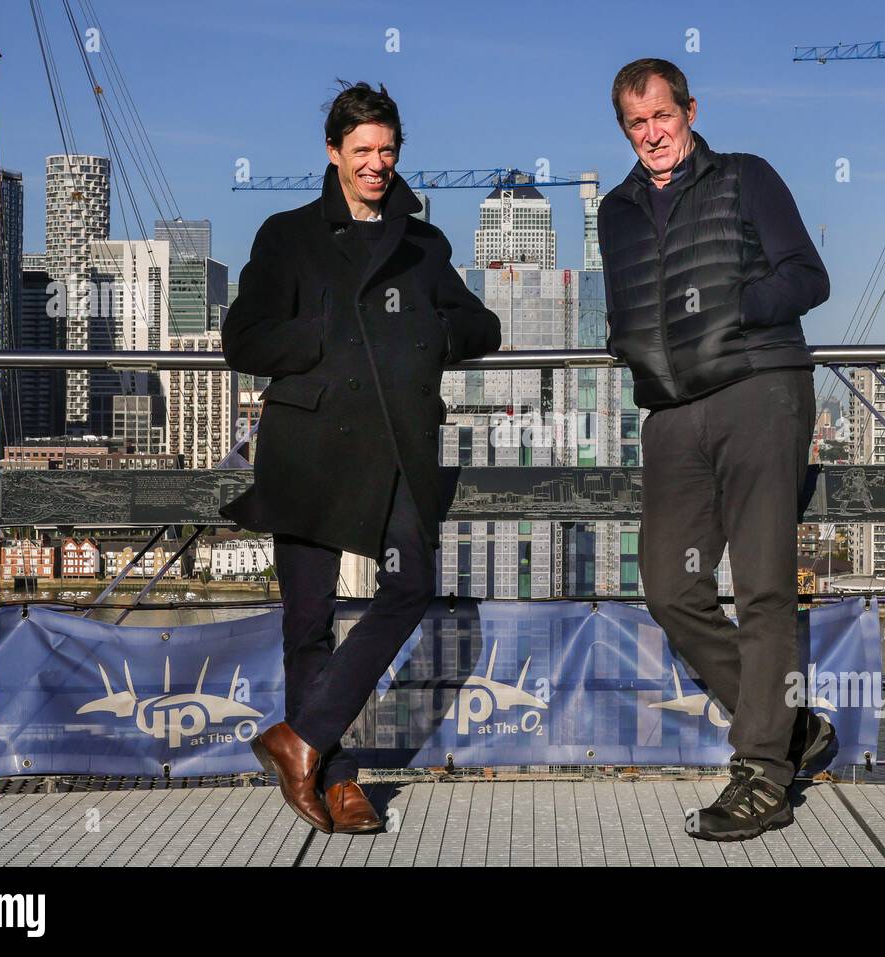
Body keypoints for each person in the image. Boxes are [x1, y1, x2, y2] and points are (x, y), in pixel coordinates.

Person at [219, 81, 501, 834]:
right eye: (362, 151)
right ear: (333, 153)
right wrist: (323, 339)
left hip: (398, 446)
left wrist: (434, 337)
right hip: (308, 447)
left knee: (410, 587)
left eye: (387, 150)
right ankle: (339, 778)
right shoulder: (287, 235)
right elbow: (243, 339)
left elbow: (483, 324)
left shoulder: (422, 242)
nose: (376, 164)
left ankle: (301, 738)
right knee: (307, 620)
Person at [597, 58, 836, 842]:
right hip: (671, 411)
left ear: (689, 111)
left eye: (662, 116)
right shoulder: (615, 211)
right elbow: (630, 303)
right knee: (669, 587)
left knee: (764, 586)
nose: (653, 134)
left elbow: (809, 277)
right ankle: (788, 723)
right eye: (637, 124)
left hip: (759, 392)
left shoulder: (744, 177)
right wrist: (629, 342)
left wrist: (733, 310)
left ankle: (763, 773)